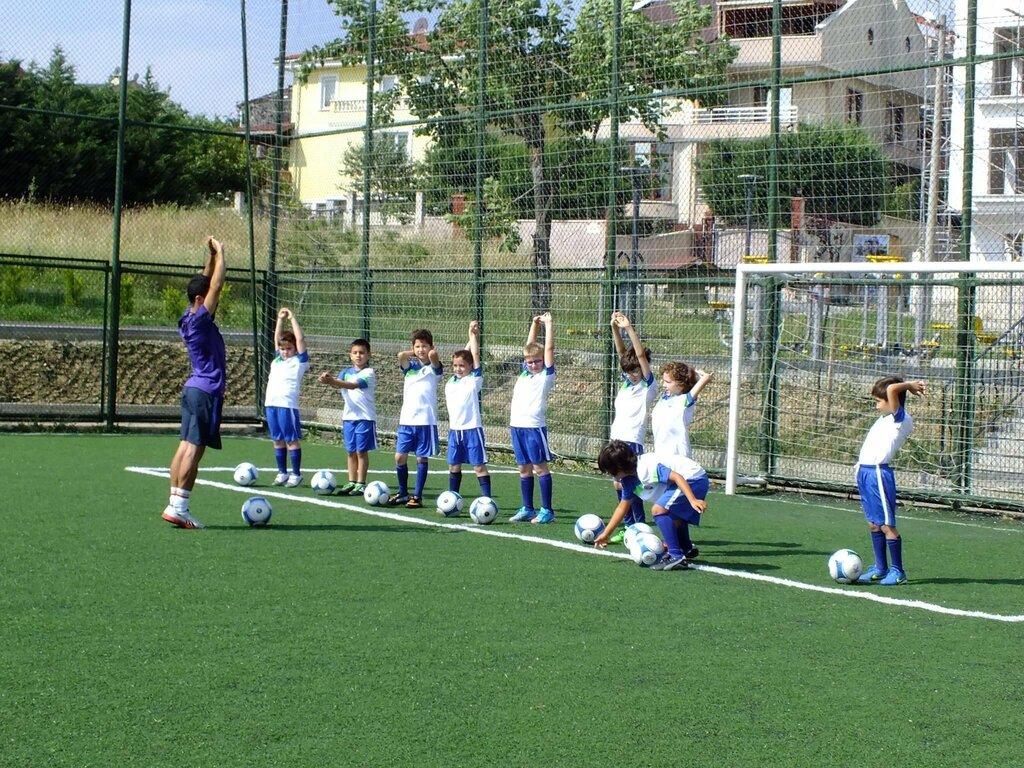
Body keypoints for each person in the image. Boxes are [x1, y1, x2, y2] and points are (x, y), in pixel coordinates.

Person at [161, 236, 227, 529]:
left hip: (192, 389)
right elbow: (215, 286)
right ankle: (180, 507)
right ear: (201, 301)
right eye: (209, 300)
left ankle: (174, 503)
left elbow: (205, 283)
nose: (215, 301)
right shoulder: (200, 319)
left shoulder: (187, 318)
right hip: (206, 391)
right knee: (194, 450)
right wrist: (222, 254)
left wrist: (210, 257)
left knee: (184, 446)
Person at [593, 440, 709, 571]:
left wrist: (692, 500)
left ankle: (676, 556)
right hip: (690, 479)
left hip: (692, 478)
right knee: (675, 517)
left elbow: (677, 477)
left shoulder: (646, 467)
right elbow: (622, 507)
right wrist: (606, 534)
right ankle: (686, 548)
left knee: (658, 510)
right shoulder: (628, 480)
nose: (612, 476)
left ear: (620, 467)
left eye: (612, 472)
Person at [855, 376, 926, 586]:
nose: (877, 406)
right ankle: (880, 568)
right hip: (865, 472)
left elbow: (894, 388)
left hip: (878, 473)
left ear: (891, 400)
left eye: (879, 401)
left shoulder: (900, 419)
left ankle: (898, 571)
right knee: (873, 524)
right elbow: (892, 390)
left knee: (886, 525)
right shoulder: (885, 418)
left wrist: (909, 386)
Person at [607, 311, 658, 542]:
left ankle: (638, 525)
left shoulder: (648, 385)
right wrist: (615, 328)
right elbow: (622, 354)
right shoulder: (627, 382)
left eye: (636, 371)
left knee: (631, 484)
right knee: (619, 484)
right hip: (616, 438)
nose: (633, 375)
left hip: (632, 440)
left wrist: (628, 328)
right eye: (630, 372)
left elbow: (638, 355)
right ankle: (629, 525)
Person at [508, 312, 557, 524]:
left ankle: (546, 510)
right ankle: (527, 507)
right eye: (529, 362)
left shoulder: (545, 376)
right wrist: (534, 324)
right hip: (517, 426)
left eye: (537, 361)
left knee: (539, 468)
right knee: (523, 469)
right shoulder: (525, 373)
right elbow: (529, 346)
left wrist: (549, 324)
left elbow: (548, 349)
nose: (534, 364)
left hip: (533, 427)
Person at [389, 329, 443, 508]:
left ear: (431, 347)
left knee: (421, 458)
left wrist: (428, 352)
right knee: (399, 457)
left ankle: (417, 496)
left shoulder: (434, 369)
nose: (421, 349)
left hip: (425, 421)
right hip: (407, 420)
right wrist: (414, 352)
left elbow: (434, 357)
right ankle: (403, 492)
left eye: (424, 346)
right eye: (417, 346)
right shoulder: (409, 368)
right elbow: (400, 356)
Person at [318, 338, 376, 496]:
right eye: (355, 353)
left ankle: (361, 483)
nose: (358, 356)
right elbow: (337, 382)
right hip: (348, 418)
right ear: (350, 355)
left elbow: (352, 385)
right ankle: (351, 482)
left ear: (369, 355)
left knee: (361, 451)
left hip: (365, 418)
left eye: (362, 353)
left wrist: (333, 381)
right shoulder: (345, 372)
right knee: (350, 451)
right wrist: (326, 379)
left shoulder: (368, 373)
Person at [445, 321, 492, 498]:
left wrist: (473, 336)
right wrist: (469, 336)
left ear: (471, 367)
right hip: (454, 431)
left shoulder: (474, 380)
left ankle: (487, 498)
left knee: (478, 466)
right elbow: (465, 356)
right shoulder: (452, 381)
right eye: (455, 366)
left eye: (462, 366)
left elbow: (474, 354)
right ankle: (452, 496)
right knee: (453, 465)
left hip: (472, 430)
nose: (458, 368)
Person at [265, 307, 309, 488]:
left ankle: (296, 474)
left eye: (289, 349)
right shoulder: (277, 360)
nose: (284, 352)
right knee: (277, 439)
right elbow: (277, 338)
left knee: (291, 440)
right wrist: (280, 319)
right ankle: (282, 472)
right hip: (271, 404)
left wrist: (292, 318)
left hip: (287, 405)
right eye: (282, 349)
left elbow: (300, 339)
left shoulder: (299, 361)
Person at [650, 360, 713, 458]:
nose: (663, 385)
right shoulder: (664, 398)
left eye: (668, 382)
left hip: (679, 458)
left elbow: (706, 379)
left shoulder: (683, 401)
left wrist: (703, 375)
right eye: (663, 381)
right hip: (661, 455)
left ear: (681, 384)